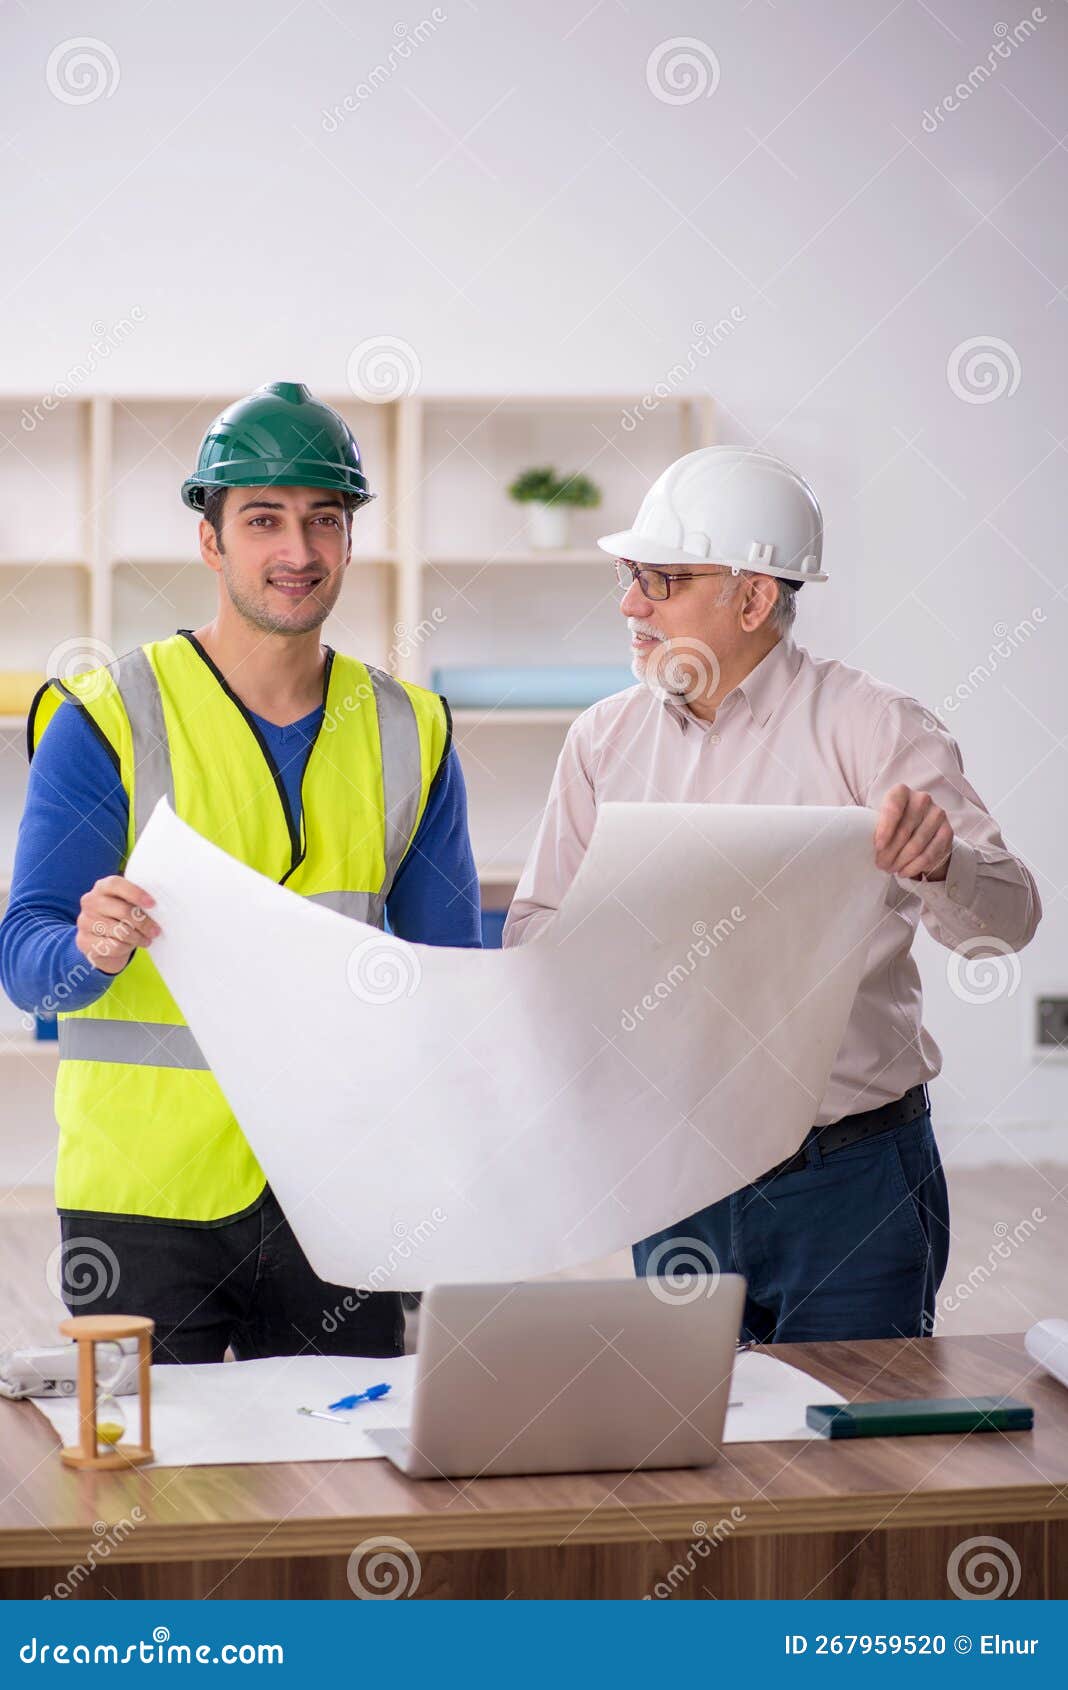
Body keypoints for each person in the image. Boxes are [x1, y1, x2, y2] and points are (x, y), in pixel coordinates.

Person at [503, 445, 1041, 1343]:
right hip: (674, 1174)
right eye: (632, 576)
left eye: (663, 579)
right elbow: (539, 925)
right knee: (690, 1452)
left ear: (753, 598)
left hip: (850, 1178)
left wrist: (945, 865)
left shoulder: (874, 727)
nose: (630, 604)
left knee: (857, 1463)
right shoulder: (603, 740)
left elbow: (1010, 920)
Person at [0, 380, 481, 1363]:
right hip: (145, 1197)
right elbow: (25, 959)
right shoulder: (105, 715)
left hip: (344, 1192)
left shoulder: (411, 729)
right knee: (142, 1487)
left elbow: (453, 982)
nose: (297, 551)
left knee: (343, 1486)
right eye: (263, 520)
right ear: (211, 540)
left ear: (351, 539)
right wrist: (87, 948)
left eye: (325, 520)